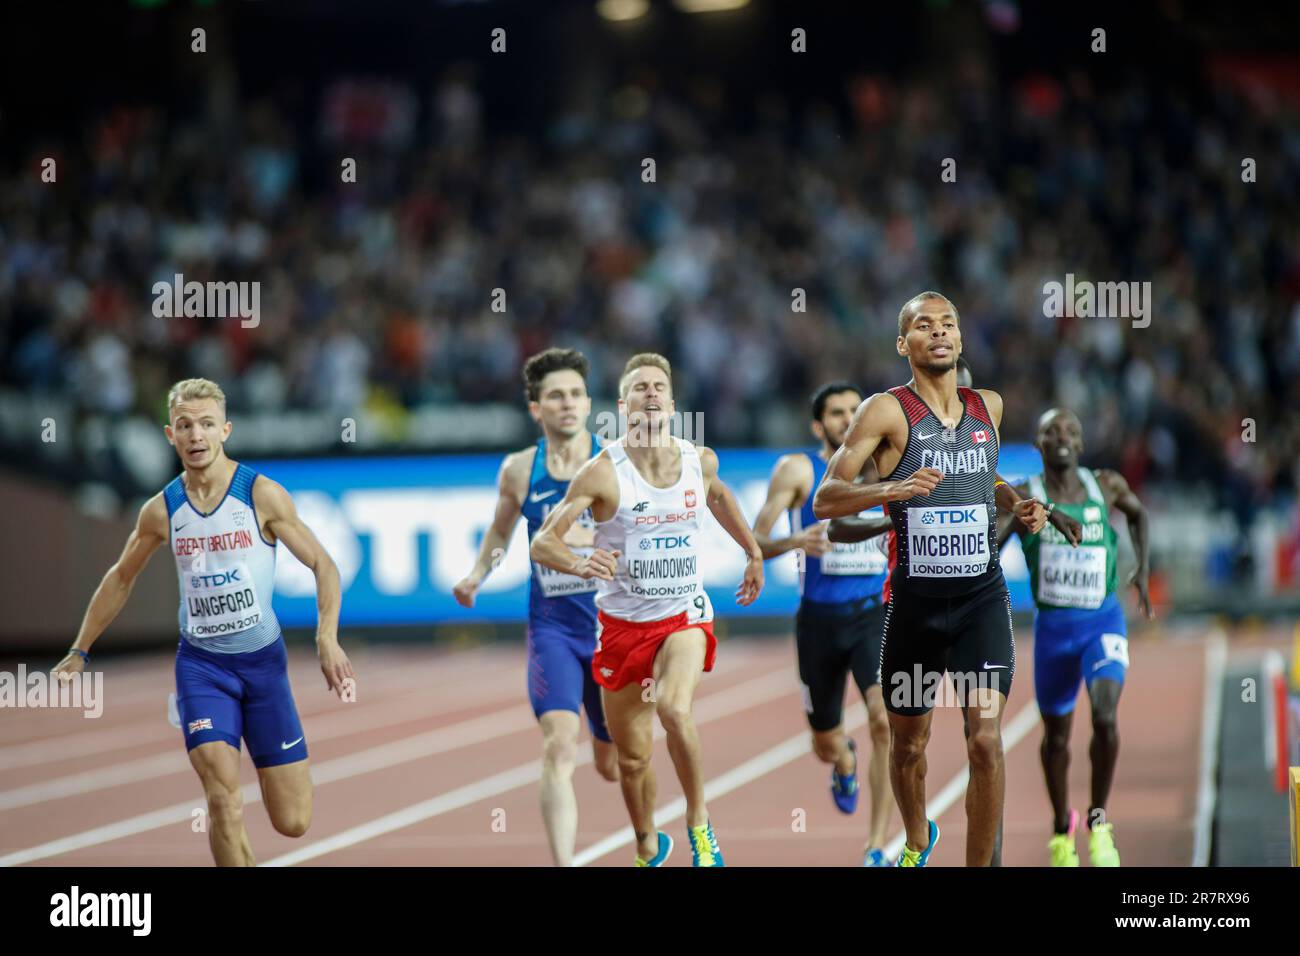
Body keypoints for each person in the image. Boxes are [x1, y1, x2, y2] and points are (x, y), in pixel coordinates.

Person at [53, 378, 353, 866]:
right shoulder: (162, 510)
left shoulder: (261, 495)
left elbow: (324, 565)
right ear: (170, 435)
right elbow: (121, 577)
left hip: (263, 666)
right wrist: (79, 649)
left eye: (206, 425)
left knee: (293, 820)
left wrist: (327, 638)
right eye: (185, 426)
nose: (196, 435)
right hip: (202, 669)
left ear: (225, 431)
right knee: (221, 798)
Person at [813, 291, 1058, 867]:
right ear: (905, 344)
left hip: (980, 601)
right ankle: (919, 840)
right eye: (925, 327)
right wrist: (889, 489)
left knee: (985, 741)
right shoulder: (884, 411)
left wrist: (1017, 504)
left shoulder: (988, 406)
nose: (939, 333)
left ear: (961, 339)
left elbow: (986, 475)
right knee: (907, 750)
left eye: (949, 324)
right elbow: (827, 498)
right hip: (915, 610)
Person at [530, 353, 764, 867]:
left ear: (673, 403)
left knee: (675, 710)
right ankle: (645, 843)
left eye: (660, 386)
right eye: (640, 388)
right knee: (630, 760)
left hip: (684, 616)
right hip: (622, 627)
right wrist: (582, 560)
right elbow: (543, 544)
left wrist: (753, 550)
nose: (652, 394)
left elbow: (719, 497)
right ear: (622, 405)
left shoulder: (698, 460)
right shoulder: (602, 474)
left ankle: (700, 826)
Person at [453, 348, 619, 866]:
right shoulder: (520, 470)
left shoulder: (615, 462)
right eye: (555, 396)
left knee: (615, 763)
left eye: (574, 394)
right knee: (557, 745)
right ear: (535, 409)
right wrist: (478, 574)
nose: (566, 404)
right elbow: (502, 531)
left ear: (589, 403)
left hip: (613, 629)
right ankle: (563, 861)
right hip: (554, 630)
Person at [998, 407, 1152, 866]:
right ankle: (1060, 828)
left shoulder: (1104, 485)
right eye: (1051, 430)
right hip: (1053, 635)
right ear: (1038, 443)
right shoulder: (1026, 496)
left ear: (1082, 443)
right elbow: (990, 547)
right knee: (1057, 739)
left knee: (1105, 717)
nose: (1062, 436)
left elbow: (1139, 515)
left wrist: (1142, 567)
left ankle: (1099, 821)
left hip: (1102, 623)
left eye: (1071, 430)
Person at [751, 381, 894, 866]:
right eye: (836, 413)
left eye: (856, 410)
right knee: (824, 741)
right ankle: (844, 759)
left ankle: (877, 846)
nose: (848, 419)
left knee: (884, 720)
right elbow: (756, 542)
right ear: (819, 424)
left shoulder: (887, 467)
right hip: (818, 623)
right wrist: (795, 543)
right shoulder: (798, 470)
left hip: (874, 616)